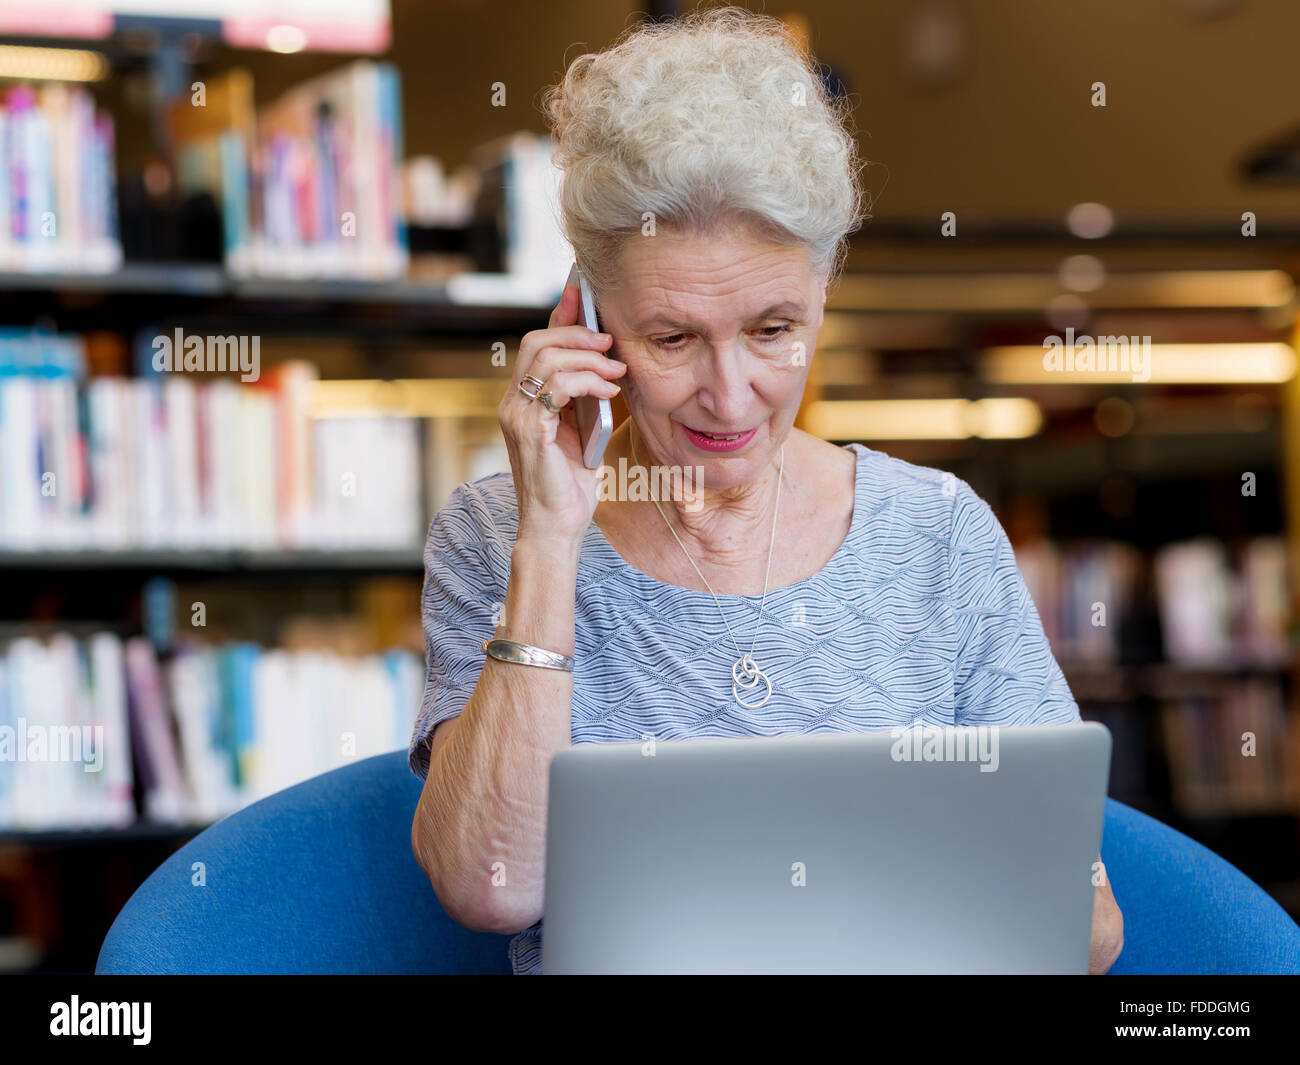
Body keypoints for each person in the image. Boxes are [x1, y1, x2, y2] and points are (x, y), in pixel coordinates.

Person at [409, 6, 1123, 975]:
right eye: (671, 338)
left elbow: (1082, 929)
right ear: (586, 320)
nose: (730, 393)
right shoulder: (495, 537)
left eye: (774, 329)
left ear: (825, 294)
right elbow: (488, 885)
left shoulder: (938, 537)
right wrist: (549, 541)